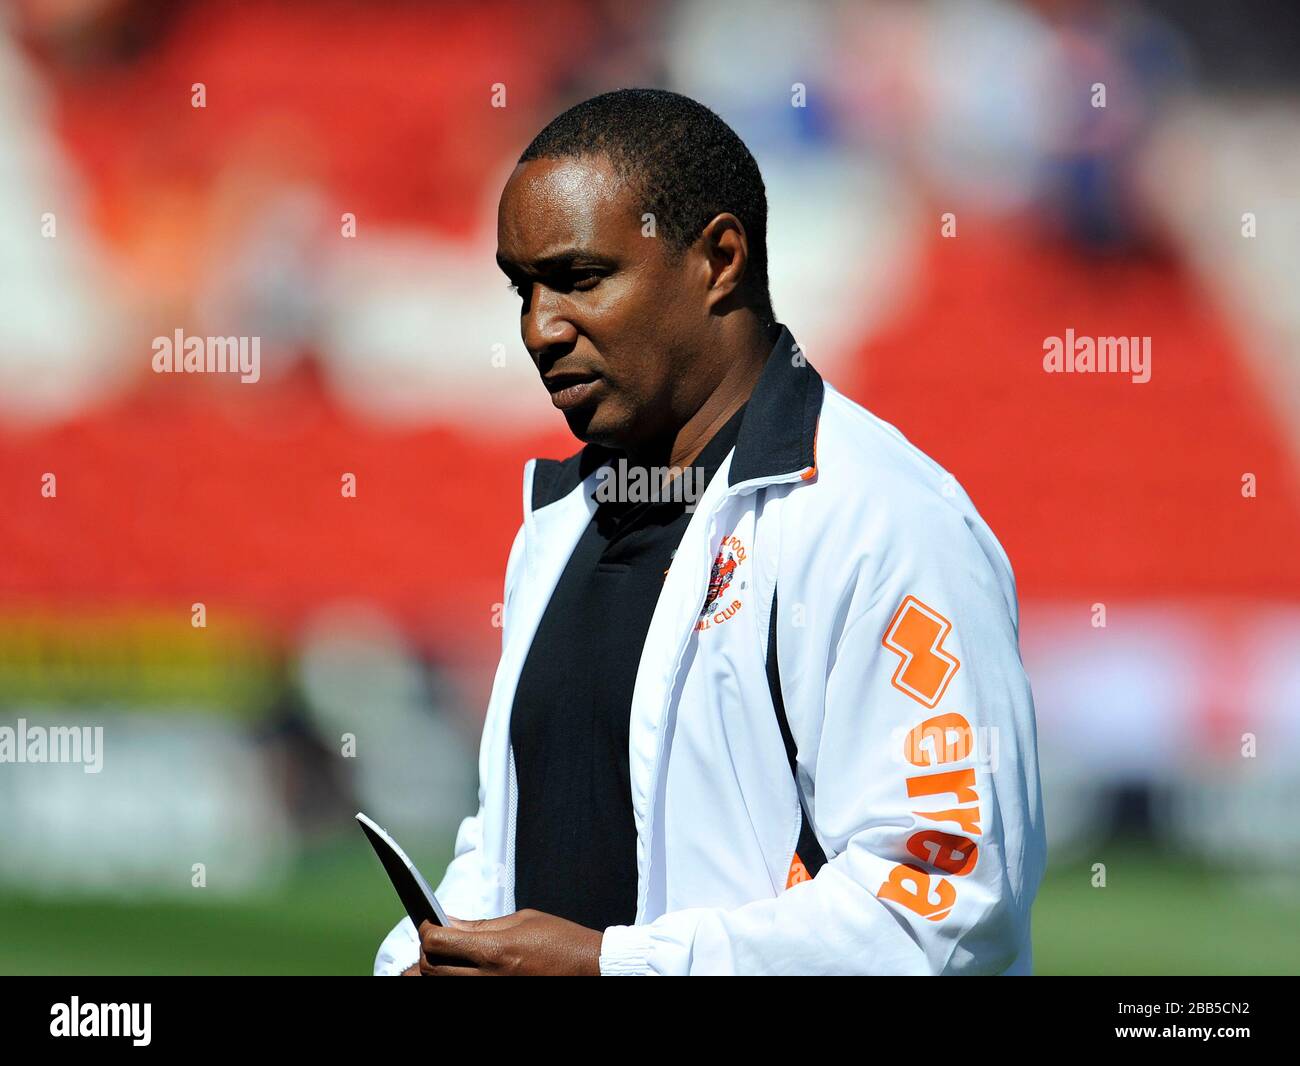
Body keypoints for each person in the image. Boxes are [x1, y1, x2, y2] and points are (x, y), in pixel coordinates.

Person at [375, 88, 1045, 976]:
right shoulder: (561, 520)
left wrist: (618, 967)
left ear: (719, 259)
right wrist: (428, 952)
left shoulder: (881, 521)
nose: (539, 328)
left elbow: (947, 909)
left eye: (580, 279)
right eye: (522, 288)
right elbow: (504, 847)